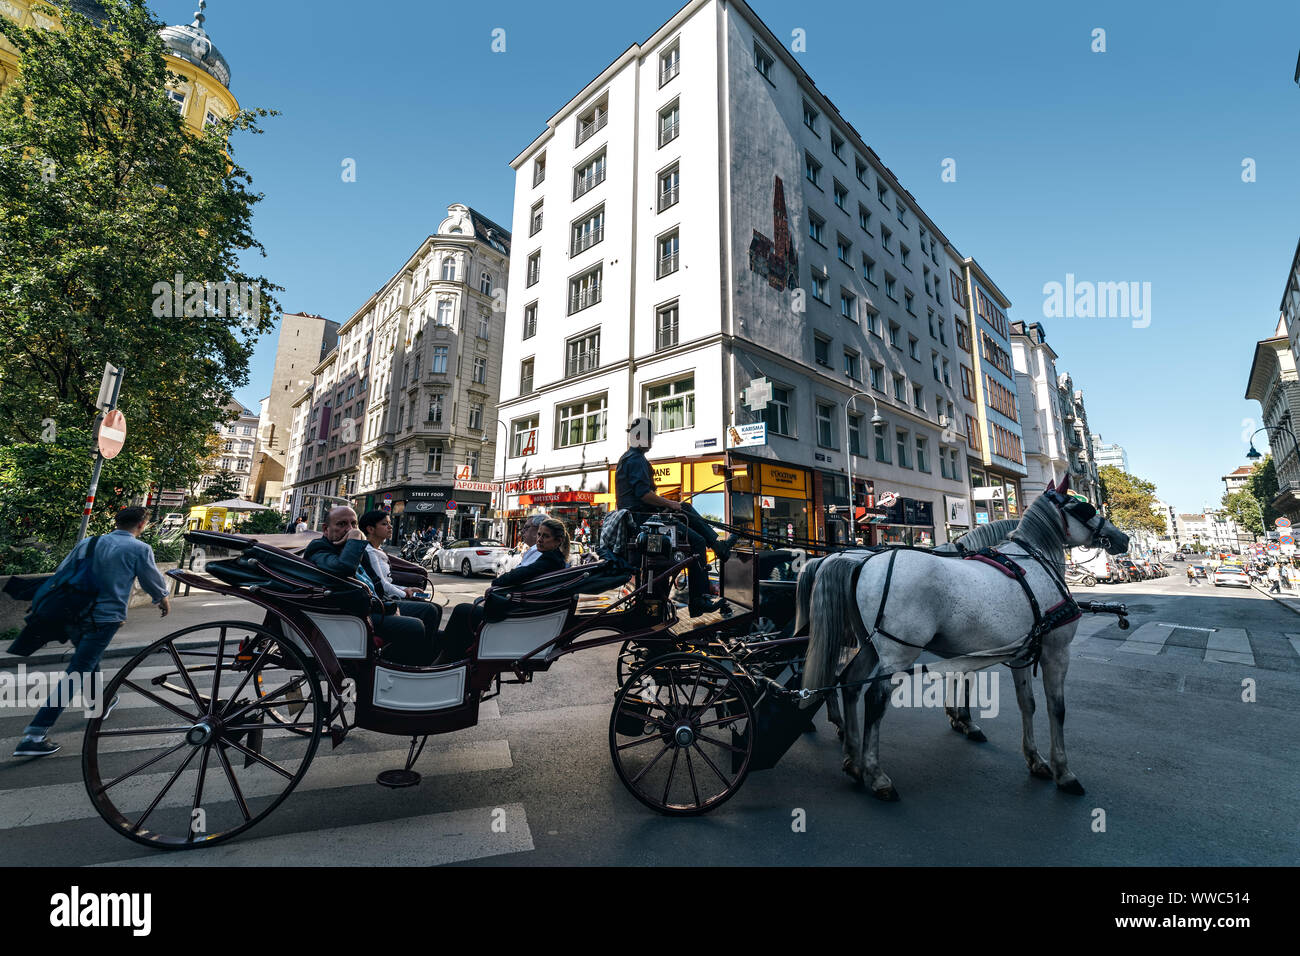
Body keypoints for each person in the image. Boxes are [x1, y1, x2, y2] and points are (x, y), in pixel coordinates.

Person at [13, 507, 171, 758]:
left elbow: (63, 572)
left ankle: (100, 703)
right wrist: (162, 600)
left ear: (116, 521)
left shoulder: (89, 543)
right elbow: (151, 581)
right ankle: (35, 734)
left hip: (73, 614)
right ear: (142, 525)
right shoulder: (139, 549)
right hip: (105, 619)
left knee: (87, 661)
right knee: (78, 670)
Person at [614, 416, 737, 617]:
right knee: (696, 542)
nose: (651, 442)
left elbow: (642, 496)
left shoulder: (629, 458)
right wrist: (670, 504)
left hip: (642, 518)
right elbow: (643, 494)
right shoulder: (636, 459)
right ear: (637, 436)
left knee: (685, 506)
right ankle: (698, 598)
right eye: (649, 437)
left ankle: (717, 545)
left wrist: (671, 505)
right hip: (643, 522)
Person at [304, 507, 442, 665]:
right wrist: (355, 538)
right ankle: (405, 670)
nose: (349, 529)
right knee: (415, 626)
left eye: (353, 524)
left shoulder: (349, 548)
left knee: (431, 610)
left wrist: (389, 602)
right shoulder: (320, 548)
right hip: (352, 613)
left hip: (371, 604)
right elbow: (344, 569)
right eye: (342, 524)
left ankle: (424, 664)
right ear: (326, 529)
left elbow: (376, 582)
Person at [436, 517, 570, 664]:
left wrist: (497, 583)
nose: (540, 539)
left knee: (462, 611)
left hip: (519, 615)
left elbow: (517, 575)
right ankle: (452, 654)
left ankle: (446, 657)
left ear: (558, 541)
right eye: (539, 534)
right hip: (524, 610)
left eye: (546, 536)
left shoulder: (549, 560)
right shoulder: (555, 559)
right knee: (467, 610)